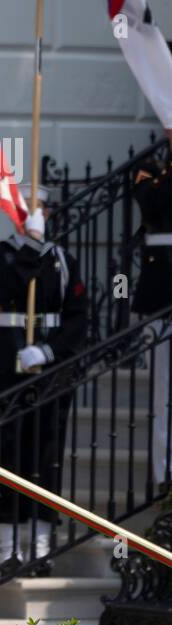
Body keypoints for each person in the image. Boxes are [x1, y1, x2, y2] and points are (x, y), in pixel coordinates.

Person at [0, 198, 85, 577]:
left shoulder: (63, 259)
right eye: (26, 208)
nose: (34, 214)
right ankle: (9, 550)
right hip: (8, 358)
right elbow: (9, 284)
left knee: (47, 454)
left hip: (48, 364)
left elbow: (78, 316)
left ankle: (41, 547)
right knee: (9, 453)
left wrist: (48, 349)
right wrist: (31, 244)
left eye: (39, 209)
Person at [133, 135, 172, 495]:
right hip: (160, 292)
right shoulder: (151, 172)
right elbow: (154, 203)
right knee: (161, 392)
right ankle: (163, 478)